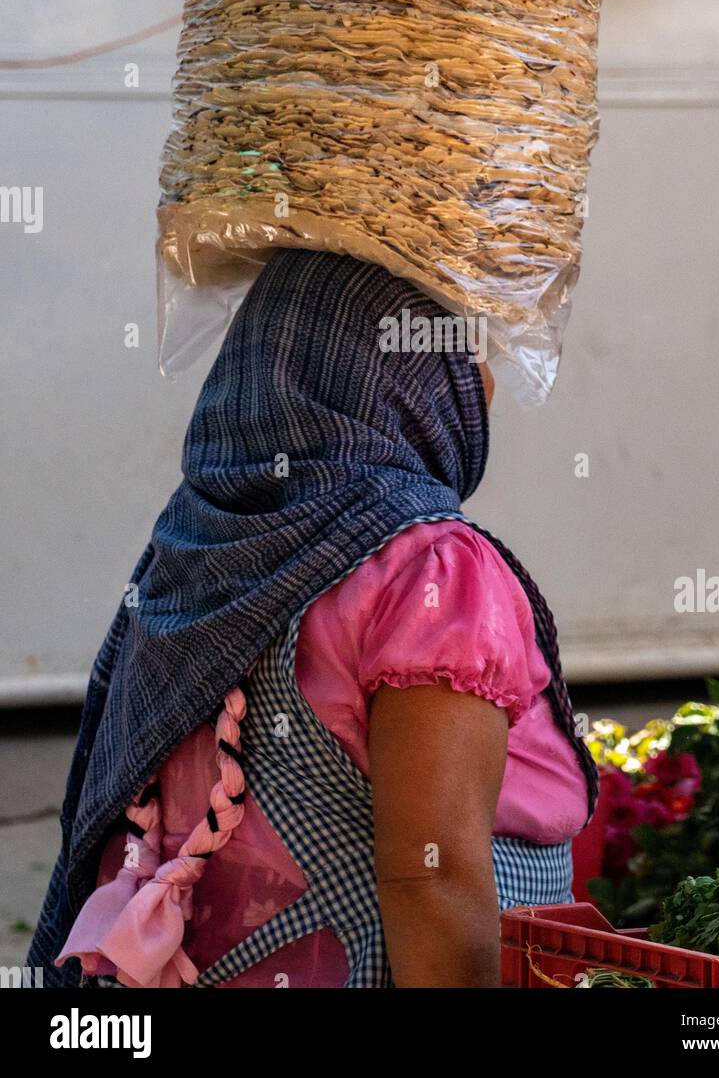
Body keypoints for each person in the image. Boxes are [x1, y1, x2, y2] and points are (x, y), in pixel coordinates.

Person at [28, 248, 597, 988]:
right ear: (410, 380)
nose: (482, 387)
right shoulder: (430, 570)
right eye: (466, 354)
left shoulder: (191, 554)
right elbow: (433, 879)